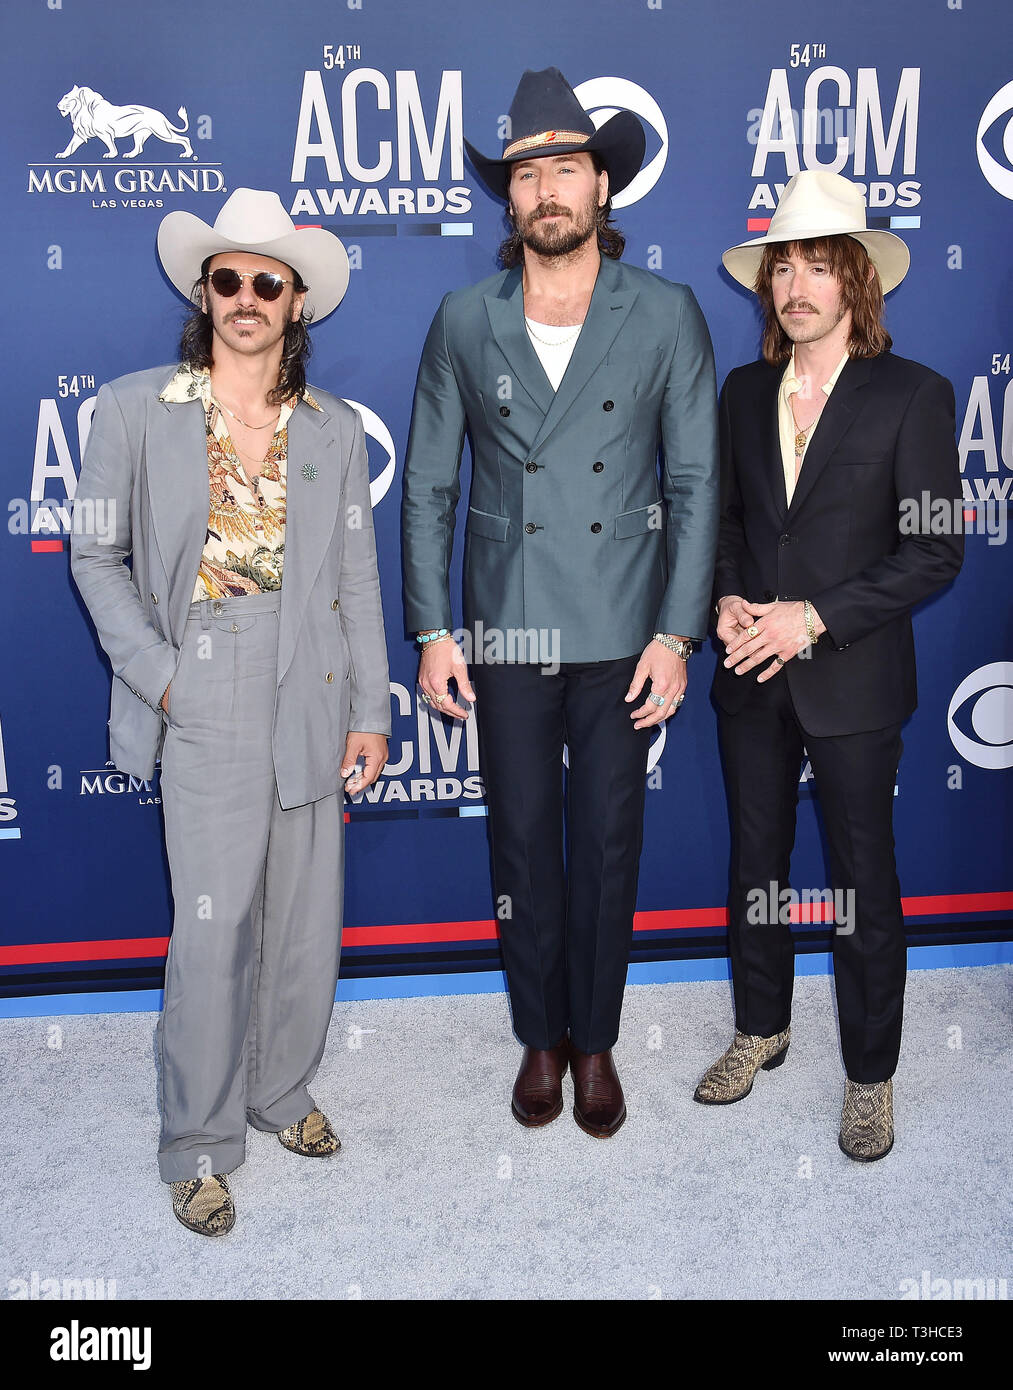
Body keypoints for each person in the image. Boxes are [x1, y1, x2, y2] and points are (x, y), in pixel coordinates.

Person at [401, 68, 718, 1138]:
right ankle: (541, 1034)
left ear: (601, 189)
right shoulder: (461, 319)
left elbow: (693, 486)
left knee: (609, 842)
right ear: (509, 198)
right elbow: (431, 485)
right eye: (527, 172)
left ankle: (598, 1039)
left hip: (625, 624)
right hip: (504, 619)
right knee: (524, 844)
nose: (547, 188)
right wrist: (432, 628)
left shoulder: (666, 312)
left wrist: (676, 633)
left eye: (565, 168)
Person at [71, 188, 390, 1234]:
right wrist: (163, 674)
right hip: (200, 672)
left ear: (296, 303)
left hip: (312, 680)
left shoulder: (333, 430)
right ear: (203, 293)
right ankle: (198, 1144)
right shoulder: (130, 409)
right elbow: (94, 554)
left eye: (268, 281)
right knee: (211, 930)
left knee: (302, 916)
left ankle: (278, 1092)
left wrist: (369, 708)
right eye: (228, 279)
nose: (246, 296)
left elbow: (354, 571)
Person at [698, 170, 963, 1160]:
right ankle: (759, 1026)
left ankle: (868, 1074)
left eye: (817, 265)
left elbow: (934, 549)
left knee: (860, 879)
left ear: (855, 280)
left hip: (848, 675)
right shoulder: (740, 391)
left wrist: (808, 619)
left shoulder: (912, 395)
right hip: (745, 673)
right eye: (782, 268)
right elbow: (724, 520)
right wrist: (726, 599)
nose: (795, 285)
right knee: (752, 863)